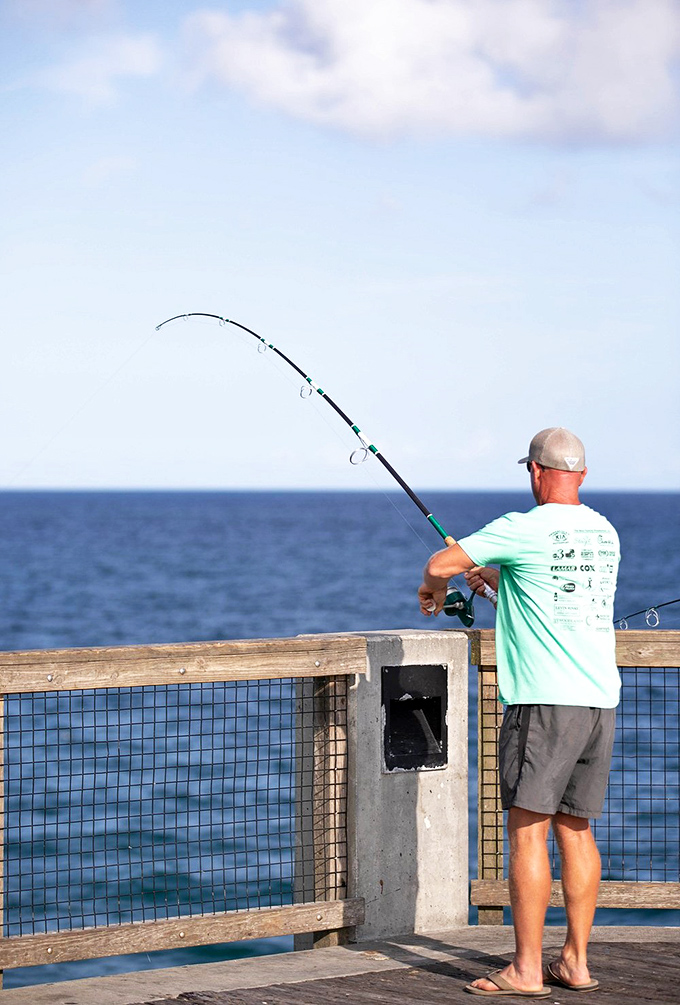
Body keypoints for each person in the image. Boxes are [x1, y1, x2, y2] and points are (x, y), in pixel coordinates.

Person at [418, 428, 620, 999]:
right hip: (598, 700)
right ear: (580, 475)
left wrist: (430, 590)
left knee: (527, 831)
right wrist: (500, 581)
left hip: (543, 702)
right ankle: (575, 962)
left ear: (535, 472)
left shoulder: (521, 527)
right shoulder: (604, 533)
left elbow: (440, 562)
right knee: (576, 830)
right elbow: (555, 588)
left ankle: (527, 969)